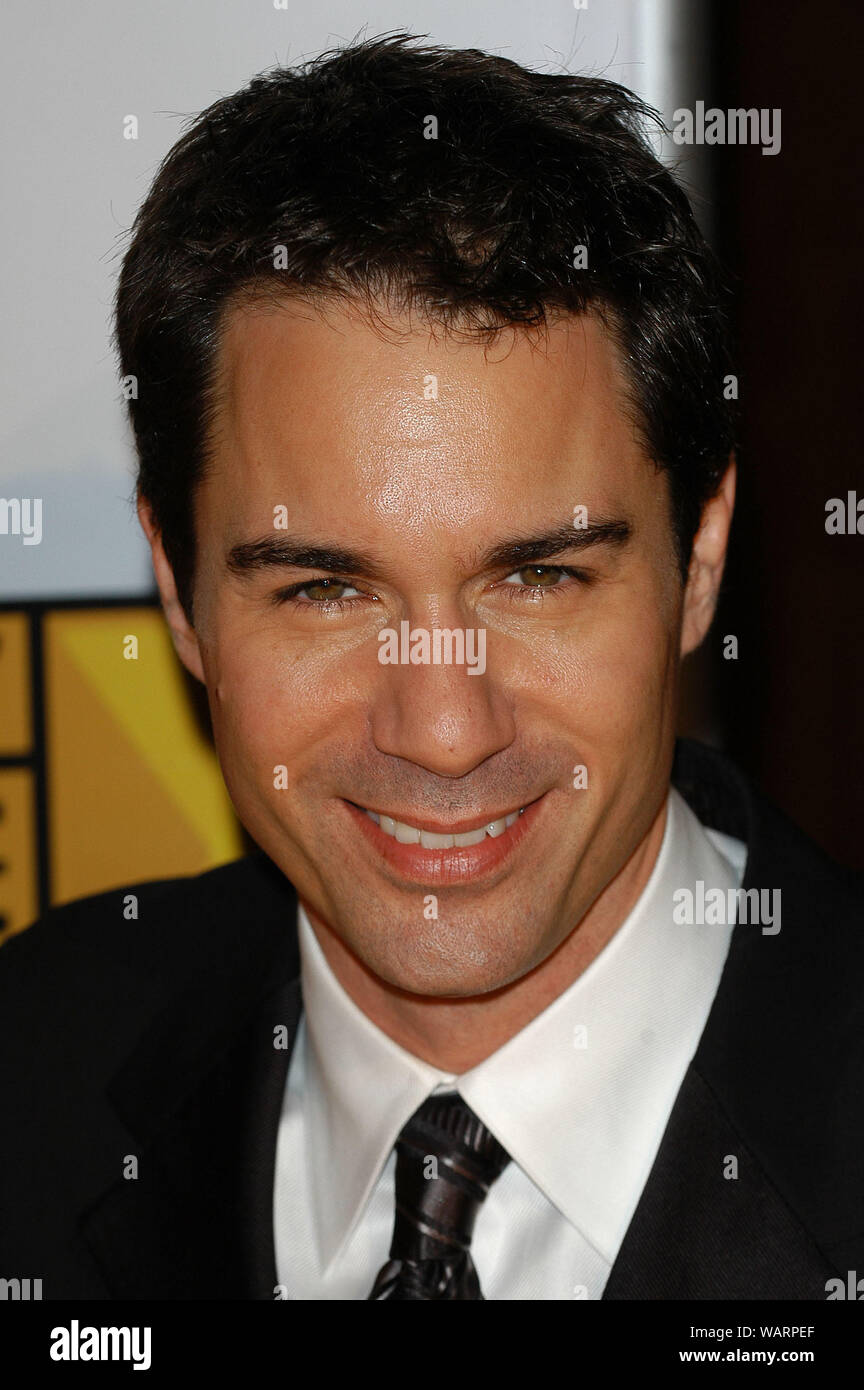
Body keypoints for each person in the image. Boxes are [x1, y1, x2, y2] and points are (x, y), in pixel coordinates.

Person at [1, 32, 861, 1302]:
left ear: (702, 560)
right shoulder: (30, 1073)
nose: (445, 728)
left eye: (539, 577)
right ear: (178, 590)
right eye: (325, 591)